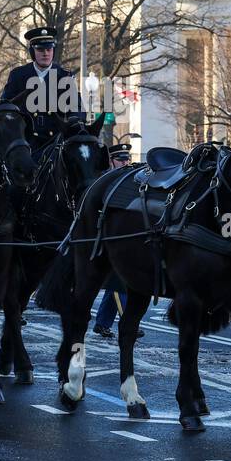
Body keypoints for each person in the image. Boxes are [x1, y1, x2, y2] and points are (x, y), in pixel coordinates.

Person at [1, 26, 82, 151]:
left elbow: (76, 108)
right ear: (32, 52)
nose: (46, 53)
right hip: (24, 141)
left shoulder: (64, 76)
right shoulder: (18, 75)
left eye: (49, 49)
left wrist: (73, 122)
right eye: (40, 49)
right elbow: (6, 106)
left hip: (56, 142)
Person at [92, 143, 139, 340]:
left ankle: (102, 323)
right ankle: (130, 322)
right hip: (104, 237)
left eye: (127, 158)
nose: (125, 162)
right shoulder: (102, 181)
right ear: (110, 161)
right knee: (120, 282)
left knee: (117, 283)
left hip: (123, 237)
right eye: (121, 159)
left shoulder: (128, 179)